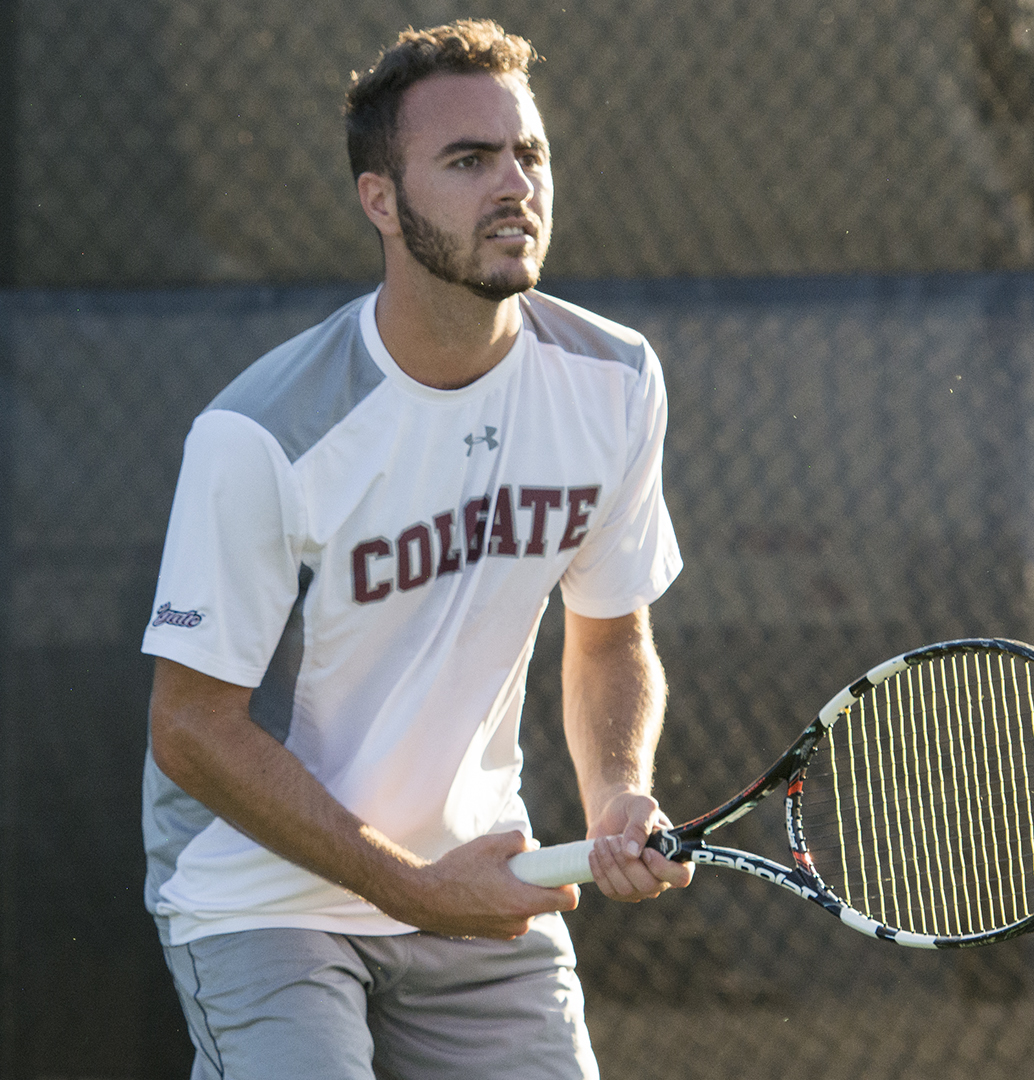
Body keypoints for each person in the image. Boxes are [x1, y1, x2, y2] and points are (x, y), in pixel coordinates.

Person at [140, 19, 691, 1079]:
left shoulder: (616, 382)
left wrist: (619, 790)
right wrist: (413, 889)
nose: (515, 186)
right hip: (265, 901)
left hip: (482, 879)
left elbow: (611, 633)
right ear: (381, 201)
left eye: (529, 154)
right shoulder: (263, 434)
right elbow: (191, 729)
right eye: (469, 160)